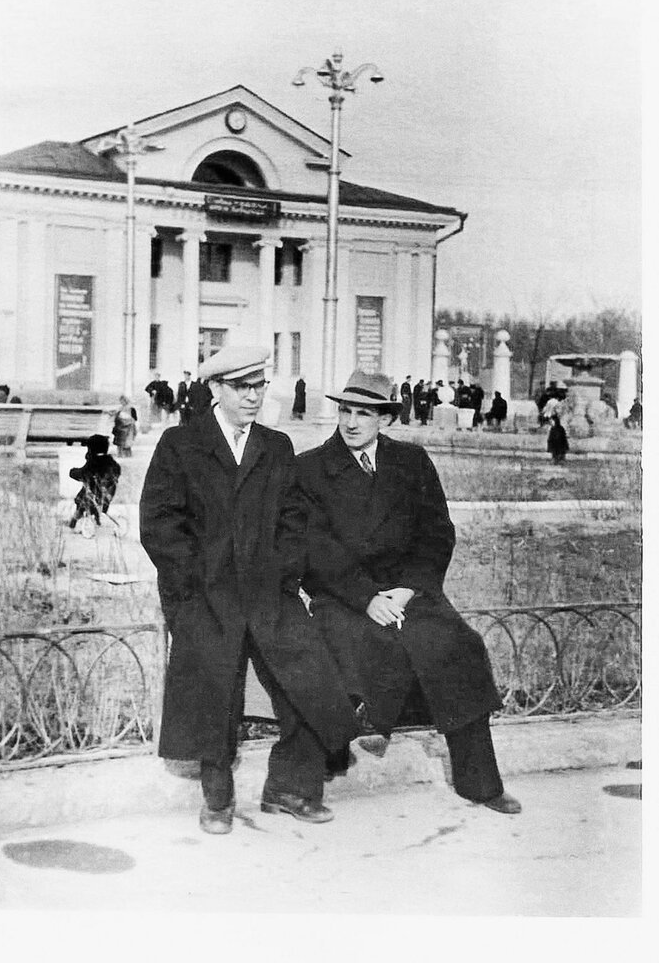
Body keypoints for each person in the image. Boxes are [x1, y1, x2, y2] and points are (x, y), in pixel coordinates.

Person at [278, 370, 521, 815]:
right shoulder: (309, 468)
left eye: (364, 413)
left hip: (410, 594)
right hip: (344, 597)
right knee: (339, 651)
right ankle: (313, 772)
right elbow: (314, 549)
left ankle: (480, 784)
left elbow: (436, 534)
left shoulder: (411, 462)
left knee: (458, 647)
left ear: (385, 418)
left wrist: (407, 590)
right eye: (345, 411)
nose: (351, 422)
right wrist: (367, 598)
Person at [139, 346, 358, 836]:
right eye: (242, 387)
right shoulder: (181, 444)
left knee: (308, 674)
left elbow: (293, 519)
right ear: (215, 389)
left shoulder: (275, 446)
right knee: (214, 685)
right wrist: (193, 584)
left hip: (268, 591)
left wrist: (283, 574)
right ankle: (217, 797)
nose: (254, 397)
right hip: (205, 593)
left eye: (259, 386)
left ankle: (290, 786)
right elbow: (159, 523)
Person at [68, 434, 121, 529]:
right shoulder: (111, 463)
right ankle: (97, 519)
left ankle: (74, 521)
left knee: (81, 505)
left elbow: (82, 473)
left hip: (92, 494)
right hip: (107, 495)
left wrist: (72, 472)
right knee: (97, 505)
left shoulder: (93, 463)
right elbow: (117, 472)